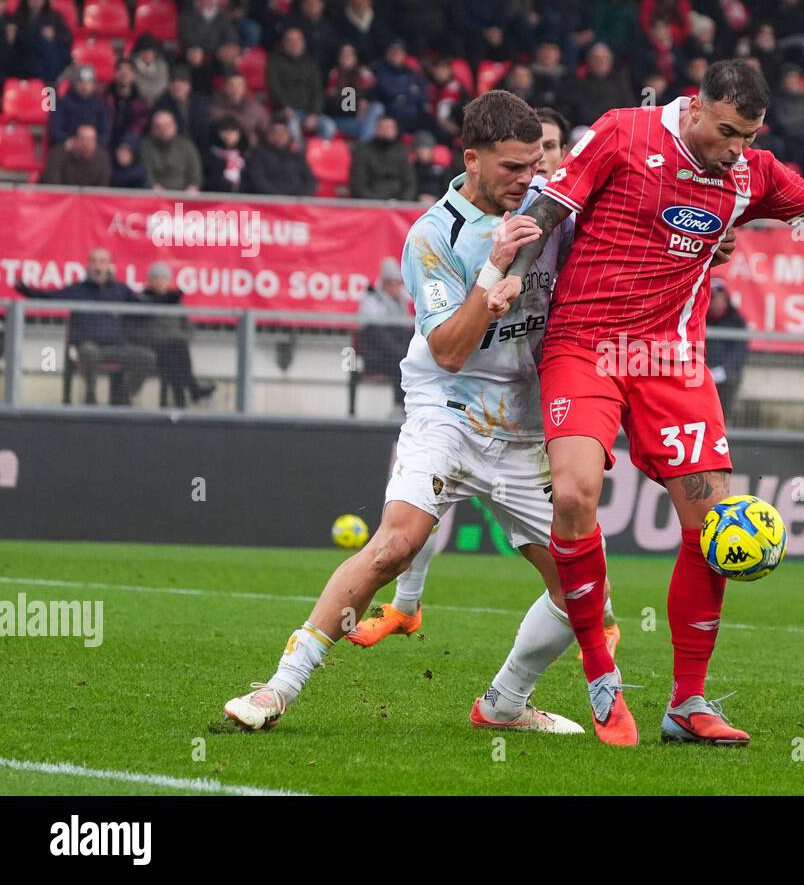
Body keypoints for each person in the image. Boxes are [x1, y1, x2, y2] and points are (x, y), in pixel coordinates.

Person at [487, 59, 804, 746]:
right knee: (573, 496)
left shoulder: (752, 175)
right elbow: (545, 210)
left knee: (713, 527)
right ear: (694, 108)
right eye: (726, 131)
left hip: (670, 357)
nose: (735, 148)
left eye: (748, 135)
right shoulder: (623, 135)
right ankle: (600, 671)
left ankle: (687, 703)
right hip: (585, 344)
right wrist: (498, 278)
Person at [224, 91, 620, 734]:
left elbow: (626, 236)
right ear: (472, 158)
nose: (528, 178)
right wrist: (492, 273)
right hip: (450, 408)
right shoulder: (435, 235)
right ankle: (278, 688)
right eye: (512, 168)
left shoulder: (553, 209)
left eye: (536, 162)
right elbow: (450, 350)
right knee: (394, 547)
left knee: (585, 596)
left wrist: (706, 245)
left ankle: (504, 704)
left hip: (527, 422)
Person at [15, 247, 155, 406]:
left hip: (116, 347)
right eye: (94, 261)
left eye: (102, 262)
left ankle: (124, 394)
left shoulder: (121, 290)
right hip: (88, 347)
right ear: (88, 264)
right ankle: (90, 397)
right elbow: (48, 297)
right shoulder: (77, 290)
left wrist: (163, 297)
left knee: (146, 357)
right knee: (89, 351)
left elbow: (143, 309)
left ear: (109, 265)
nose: (98, 266)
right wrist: (23, 288)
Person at [123, 261, 215, 407]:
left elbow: (188, 327)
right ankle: (191, 392)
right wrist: (150, 338)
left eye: (164, 278)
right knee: (175, 351)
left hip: (174, 347)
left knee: (176, 352)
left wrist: (182, 337)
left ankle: (184, 398)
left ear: (169, 281)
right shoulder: (141, 301)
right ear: (150, 280)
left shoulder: (176, 303)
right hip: (151, 347)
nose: (160, 282)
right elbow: (132, 328)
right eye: (157, 278)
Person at [355, 257, 410, 406]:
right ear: (385, 284)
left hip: (394, 353)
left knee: (407, 357)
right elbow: (375, 334)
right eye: (394, 284)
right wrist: (401, 353)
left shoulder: (400, 302)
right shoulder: (372, 299)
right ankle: (399, 406)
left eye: (399, 284)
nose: (397, 288)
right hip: (376, 357)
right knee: (401, 363)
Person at [705, 279, 748, 417]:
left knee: (730, 381)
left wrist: (722, 370)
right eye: (714, 299)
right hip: (700, 372)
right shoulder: (697, 318)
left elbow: (739, 351)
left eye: (722, 299)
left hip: (726, 375)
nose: (718, 304)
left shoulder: (736, 320)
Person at [349, 115, 416, 201]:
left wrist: (402, 202)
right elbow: (358, 183)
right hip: (370, 204)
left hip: (399, 205)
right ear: (376, 129)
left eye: (390, 128)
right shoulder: (363, 151)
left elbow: (410, 183)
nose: (387, 131)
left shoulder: (402, 151)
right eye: (383, 127)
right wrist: (376, 202)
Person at [244, 117, 316, 196]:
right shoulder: (257, 155)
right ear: (267, 134)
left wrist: (299, 197)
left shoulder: (297, 156)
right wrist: (279, 198)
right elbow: (257, 180)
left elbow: (310, 180)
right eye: (274, 132)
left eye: (283, 132)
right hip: (268, 202)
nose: (279, 135)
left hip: (296, 203)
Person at [141, 109, 202, 192]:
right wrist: (154, 187)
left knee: (179, 205)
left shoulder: (187, 146)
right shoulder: (146, 146)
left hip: (182, 197)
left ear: (174, 126)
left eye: (167, 125)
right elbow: (146, 174)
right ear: (152, 128)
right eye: (158, 126)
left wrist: (192, 188)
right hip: (156, 196)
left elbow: (195, 174)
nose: (163, 130)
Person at [40, 123, 110, 187]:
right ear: (74, 140)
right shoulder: (58, 154)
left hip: (89, 200)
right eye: (82, 138)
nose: (86, 143)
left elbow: (102, 188)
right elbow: (52, 184)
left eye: (91, 139)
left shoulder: (102, 158)